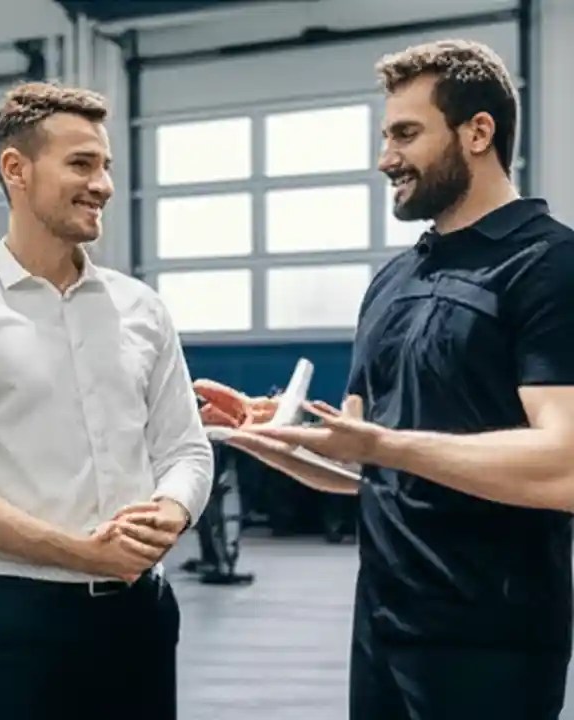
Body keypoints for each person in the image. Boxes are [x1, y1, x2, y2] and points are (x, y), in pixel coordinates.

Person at [208, 39, 574, 720]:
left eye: (406, 134)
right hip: (381, 630)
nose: (385, 159)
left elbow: (566, 463)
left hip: (494, 644)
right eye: (384, 136)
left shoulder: (550, 266)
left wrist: (385, 447)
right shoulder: (395, 280)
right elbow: (362, 466)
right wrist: (277, 437)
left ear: (478, 132)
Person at [0, 81, 213, 720]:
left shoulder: (141, 309)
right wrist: (80, 552)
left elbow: (186, 447)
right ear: (16, 169)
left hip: (141, 618)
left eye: (106, 167)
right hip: (22, 628)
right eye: (81, 164)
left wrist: (173, 511)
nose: (102, 184)